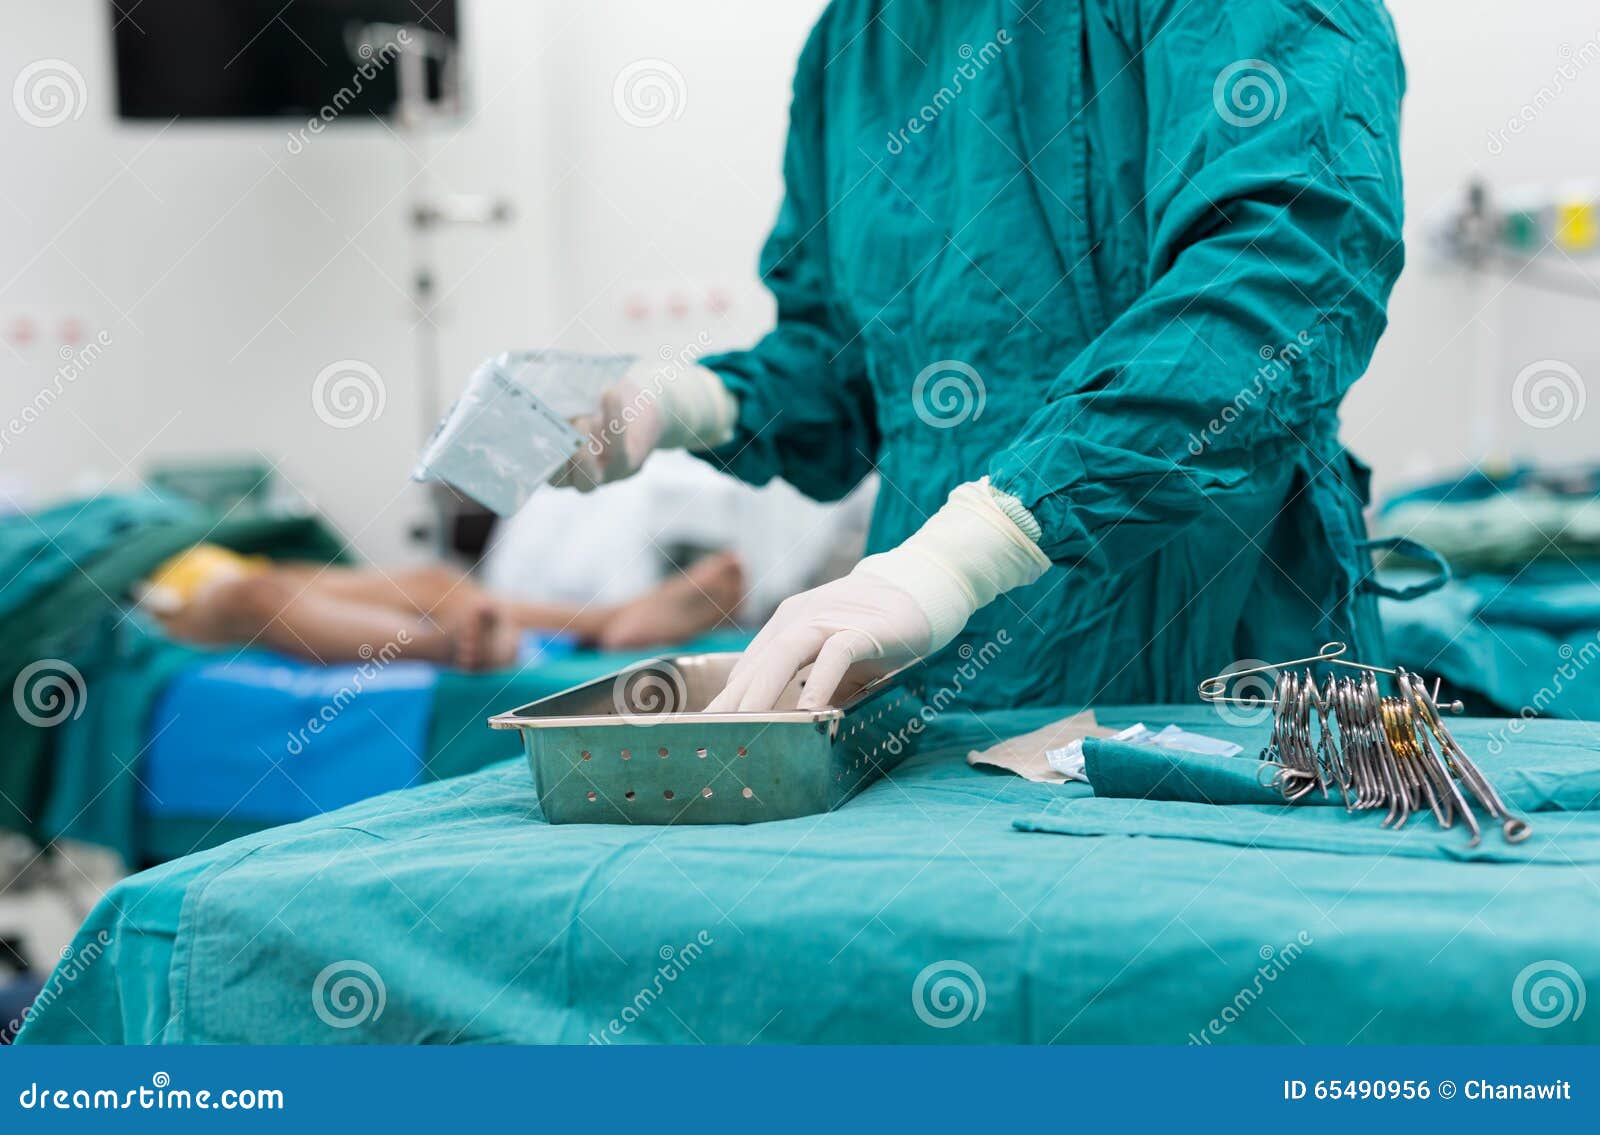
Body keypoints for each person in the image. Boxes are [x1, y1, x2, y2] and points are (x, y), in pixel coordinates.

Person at [559, 0, 1406, 711]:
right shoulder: (857, 38)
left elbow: (1286, 274)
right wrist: (687, 403)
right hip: (930, 673)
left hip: (1208, 654)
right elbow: (847, 354)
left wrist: (983, 541)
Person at [139, 543, 744, 671]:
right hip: (159, 592)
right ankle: (445, 646)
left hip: (228, 560)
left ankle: (610, 621)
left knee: (430, 581)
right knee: (259, 600)